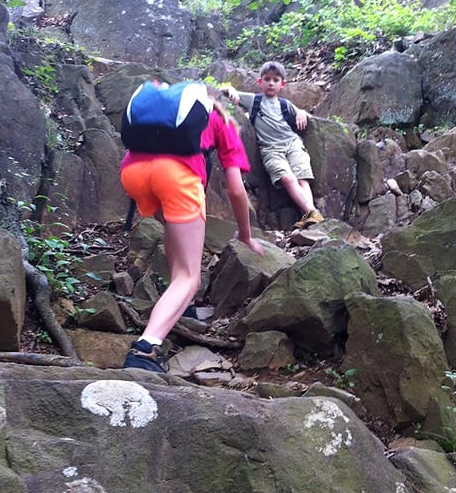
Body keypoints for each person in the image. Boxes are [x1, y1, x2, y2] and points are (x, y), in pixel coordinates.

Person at [119, 89, 264, 373]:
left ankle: (180, 307)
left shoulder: (165, 112)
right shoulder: (221, 119)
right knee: (190, 278)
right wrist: (246, 234)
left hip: (133, 174)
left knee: (176, 230)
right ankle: (145, 348)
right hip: (177, 176)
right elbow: (236, 190)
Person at [224, 61, 324, 230]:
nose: (271, 83)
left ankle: (310, 215)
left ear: (282, 84)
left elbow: (304, 114)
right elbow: (222, 92)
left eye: (276, 80)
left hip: (293, 144)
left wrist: (301, 112)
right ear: (260, 82)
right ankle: (313, 213)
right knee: (287, 178)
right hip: (270, 149)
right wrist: (230, 89)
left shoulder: (285, 104)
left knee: (302, 179)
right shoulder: (254, 100)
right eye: (267, 79)